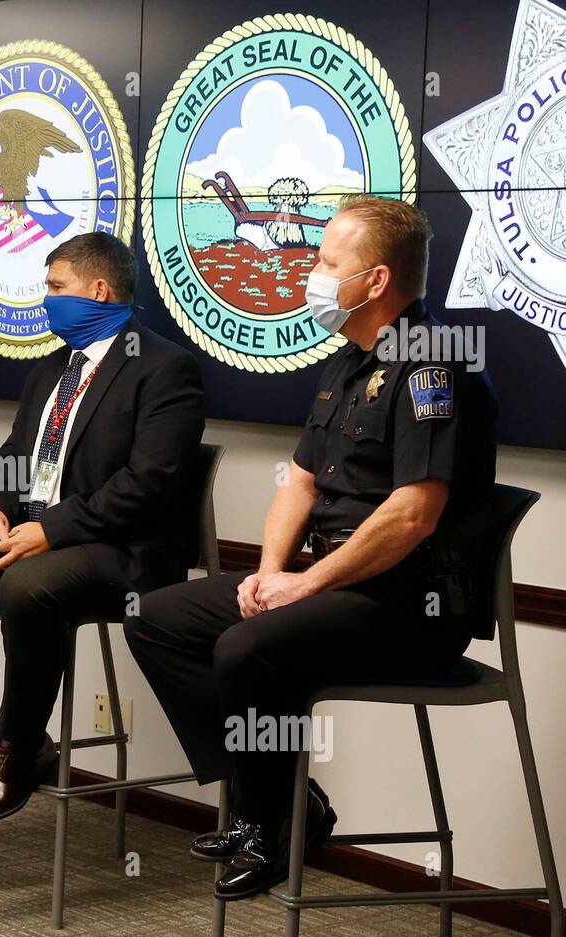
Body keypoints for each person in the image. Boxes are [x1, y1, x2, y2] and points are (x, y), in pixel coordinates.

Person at [124, 194, 498, 900]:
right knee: (157, 618)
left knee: (247, 647)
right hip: (332, 585)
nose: (310, 272)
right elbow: (298, 480)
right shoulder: (350, 360)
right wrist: (269, 574)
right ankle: (289, 801)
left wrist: (306, 585)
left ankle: (268, 823)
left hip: (410, 604)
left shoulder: (431, 363)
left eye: (328, 262)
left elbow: (414, 513)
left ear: (377, 280)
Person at [0, 231, 206, 827]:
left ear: (99, 291)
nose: (46, 299)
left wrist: (50, 531)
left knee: (27, 584)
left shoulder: (164, 369)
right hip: (30, 537)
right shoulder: (53, 367)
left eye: (56, 287)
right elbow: (14, 452)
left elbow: (148, 482)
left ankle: (19, 746)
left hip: (121, 552)